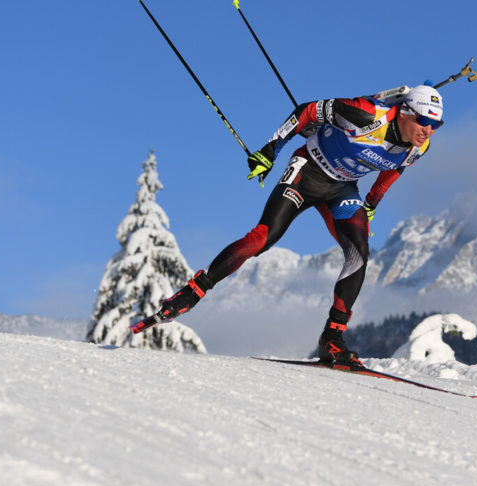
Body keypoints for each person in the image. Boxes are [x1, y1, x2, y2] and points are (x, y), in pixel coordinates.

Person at [130, 84, 445, 367]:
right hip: (308, 171)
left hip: (342, 190)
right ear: (404, 111)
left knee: (359, 253)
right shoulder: (364, 115)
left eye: (436, 125)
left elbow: (393, 169)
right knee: (262, 238)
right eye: (424, 121)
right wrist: (270, 150)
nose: (428, 130)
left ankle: (332, 338)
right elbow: (306, 112)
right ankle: (190, 293)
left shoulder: (419, 146)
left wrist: (372, 204)